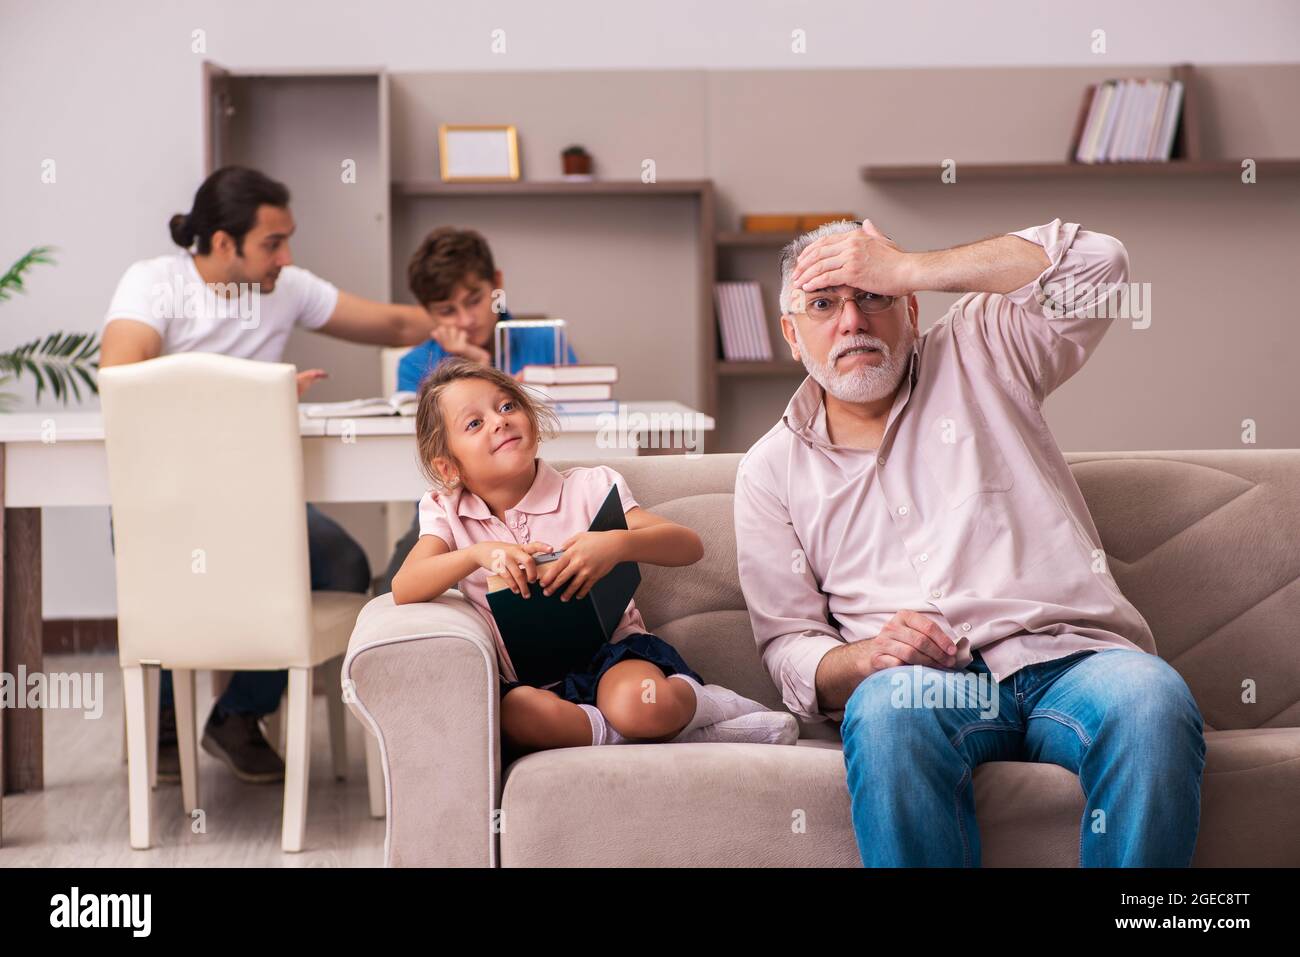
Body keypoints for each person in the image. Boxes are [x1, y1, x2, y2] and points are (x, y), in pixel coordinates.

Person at [734, 217, 1207, 866]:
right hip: (924, 684)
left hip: (1070, 657)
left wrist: (906, 264)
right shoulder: (769, 470)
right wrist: (867, 655)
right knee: (888, 710)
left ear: (910, 307)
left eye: (871, 295)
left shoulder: (983, 345)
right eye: (823, 304)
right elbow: (788, 643)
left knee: (1152, 698)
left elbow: (1100, 263)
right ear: (791, 333)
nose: (852, 321)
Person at [101, 165, 443, 784]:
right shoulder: (155, 283)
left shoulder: (285, 286)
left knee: (339, 564)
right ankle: (168, 724)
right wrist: (258, 395)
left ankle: (234, 716)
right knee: (170, 579)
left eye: (288, 239)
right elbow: (120, 378)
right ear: (224, 243)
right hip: (168, 503)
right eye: (273, 242)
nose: (286, 256)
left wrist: (455, 321)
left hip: (259, 503)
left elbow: (392, 326)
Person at [391, 357, 798, 752]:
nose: (499, 420)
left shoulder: (590, 487)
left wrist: (616, 543)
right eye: (475, 423)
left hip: (616, 657)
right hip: (534, 682)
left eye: (507, 405)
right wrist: (476, 554)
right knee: (513, 717)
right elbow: (405, 586)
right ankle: (660, 733)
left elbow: (688, 545)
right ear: (448, 468)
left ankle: (706, 707)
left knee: (639, 704)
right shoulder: (447, 509)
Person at [377, 226, 578, 594]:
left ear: (496, 285)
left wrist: (485, 365)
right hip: (461, 512)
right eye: (447, 311)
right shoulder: (414, 365)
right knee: (393, 583)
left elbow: (577, 412)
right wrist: (473, 361)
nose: (466, 320)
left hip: (551, 503)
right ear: (427, 312)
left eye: (473, 300)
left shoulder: (544, 340)